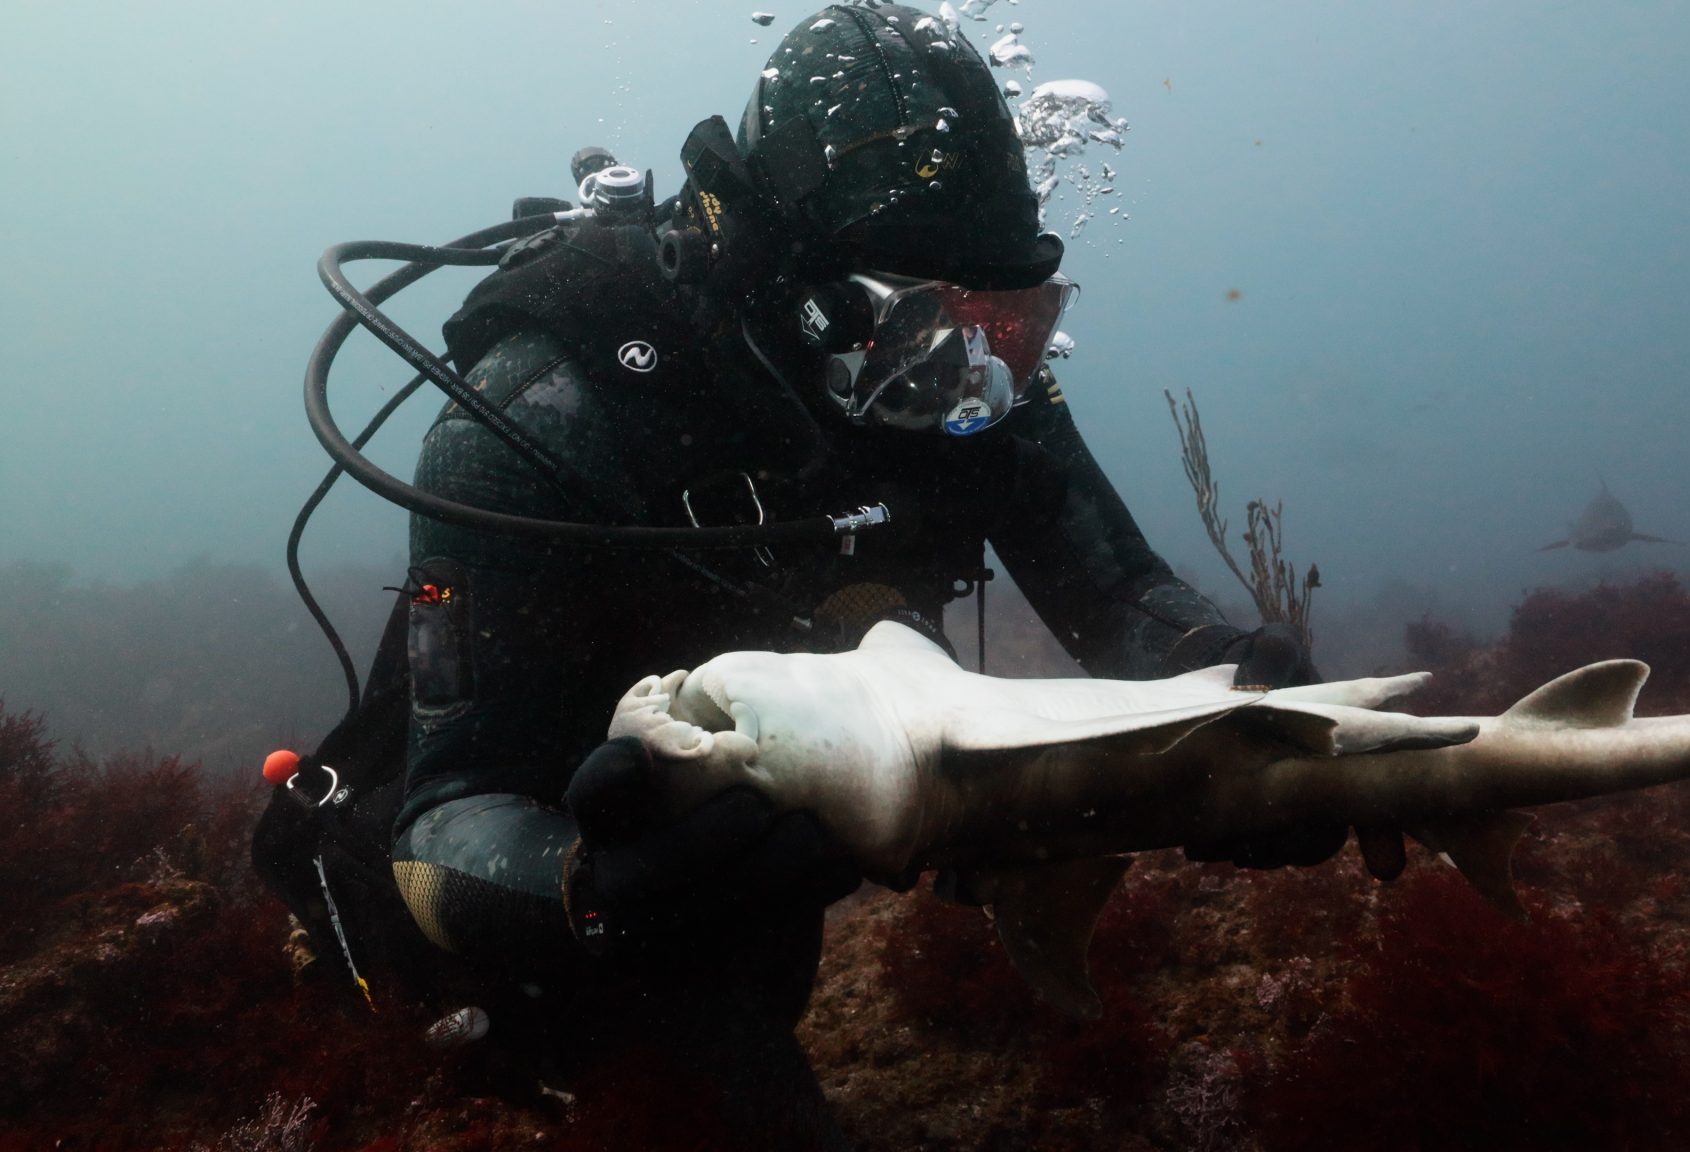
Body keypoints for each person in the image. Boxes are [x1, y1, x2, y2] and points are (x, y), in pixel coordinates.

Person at [387, 5, 1336, 1146]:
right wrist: (587, 894)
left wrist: (1230, 686)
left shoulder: (971, 399)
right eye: (935, 325)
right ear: (806, 294)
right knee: (674, 1058)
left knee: (758, 925)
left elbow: (1119, 596)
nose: (978, 377)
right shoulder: (543, 408)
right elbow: (443, 814)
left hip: (772, 846)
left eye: (1016, 324)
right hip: (563, 869)